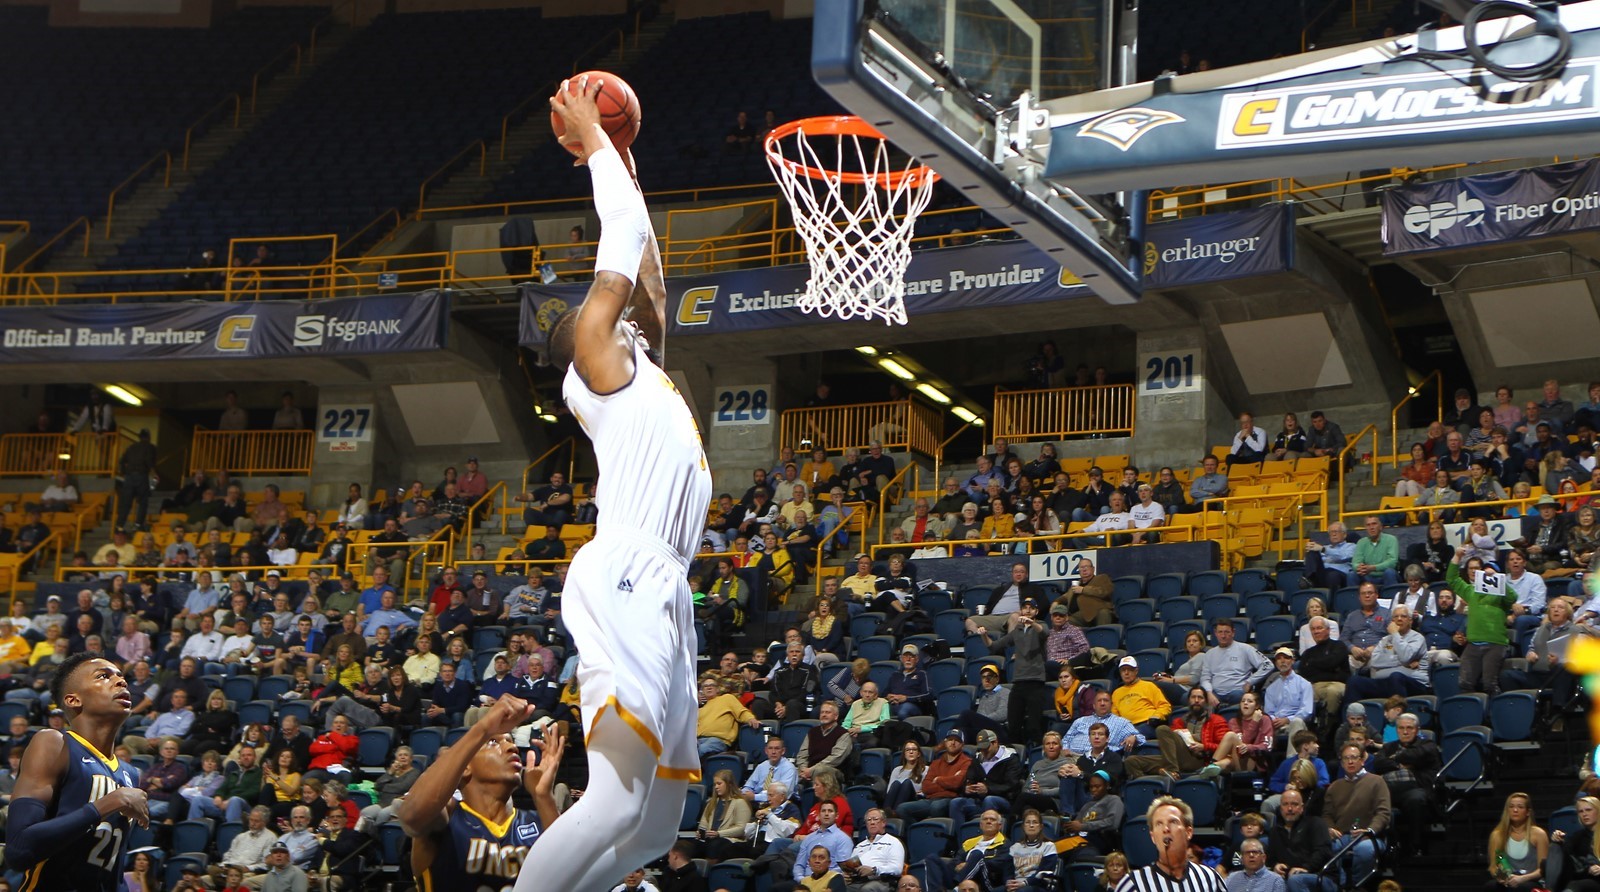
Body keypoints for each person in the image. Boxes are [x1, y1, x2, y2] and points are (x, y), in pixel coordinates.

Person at [519, 80, 712, 892]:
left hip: (667, 583)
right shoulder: (597, 357)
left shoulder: (640, 366)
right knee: (610, 799)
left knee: (652, 822)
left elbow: (652, 281)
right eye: (616, 306)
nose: (632, 305)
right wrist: (597, 140)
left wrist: (626, 156)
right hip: (627, 564)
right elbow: (625, 236)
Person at [5, 652, 149, 892]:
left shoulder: (130, 774)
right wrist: (106, 804)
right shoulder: (53, 744)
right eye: (103, 676)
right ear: (73, 700)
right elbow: (19, 850)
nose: (121, 681)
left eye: (121, 676)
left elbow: (110, 870)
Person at [397, 695, 565, 889]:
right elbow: (411, 817)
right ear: (464, 767)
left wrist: (543, 796)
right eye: (494, 742)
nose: (511, 747)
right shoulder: (449, 817)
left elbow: (573, 875)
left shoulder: (538, 820)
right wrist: (483, 729)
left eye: (511, 741)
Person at [1114, 796, 1226, 891]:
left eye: (1173, 822)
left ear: (1188, 832)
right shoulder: (1133, 884)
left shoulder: (1209, 877)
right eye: (1159, 824)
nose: (1165, 829)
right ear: (1153, 837)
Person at [1445, 552, 1516, 695]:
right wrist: (1457, 557)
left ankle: (1495, 713)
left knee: (1489, 684)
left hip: (1495, 643)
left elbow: (1513, 597)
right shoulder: (1471, 591)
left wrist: (1497, 579)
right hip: (1473, 644)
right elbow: (1451, 579)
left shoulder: (1501, 594)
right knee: (1464, 683)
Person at [1323, 743, 1390, 888]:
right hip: (1342, 835)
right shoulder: (1334, 786)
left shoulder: (1377, 781)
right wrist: (1330, 828)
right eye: (1346, 758)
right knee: (1329, 846)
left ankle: (1357, 886)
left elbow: (1383, 813)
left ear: (1362, 760)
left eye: (1354, 757)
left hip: (1369, 836)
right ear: (1341, 763)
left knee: (1364, 850)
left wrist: (1370, 831)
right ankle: (1340, 886)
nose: (1350, 761)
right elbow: (1327, 815)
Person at [1483, 792, 1548, 891]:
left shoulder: (1538, 834)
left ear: (1528, 812)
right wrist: (1503, 878)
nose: (1515, 810)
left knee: (1521, 888)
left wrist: (1523, 878)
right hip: (1510, 879)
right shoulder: (1498, 835)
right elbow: (1497, 864)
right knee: (1490, 886)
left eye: (1520, 807)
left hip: (1531, 880)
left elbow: (1542, 870)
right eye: (1511, 806)